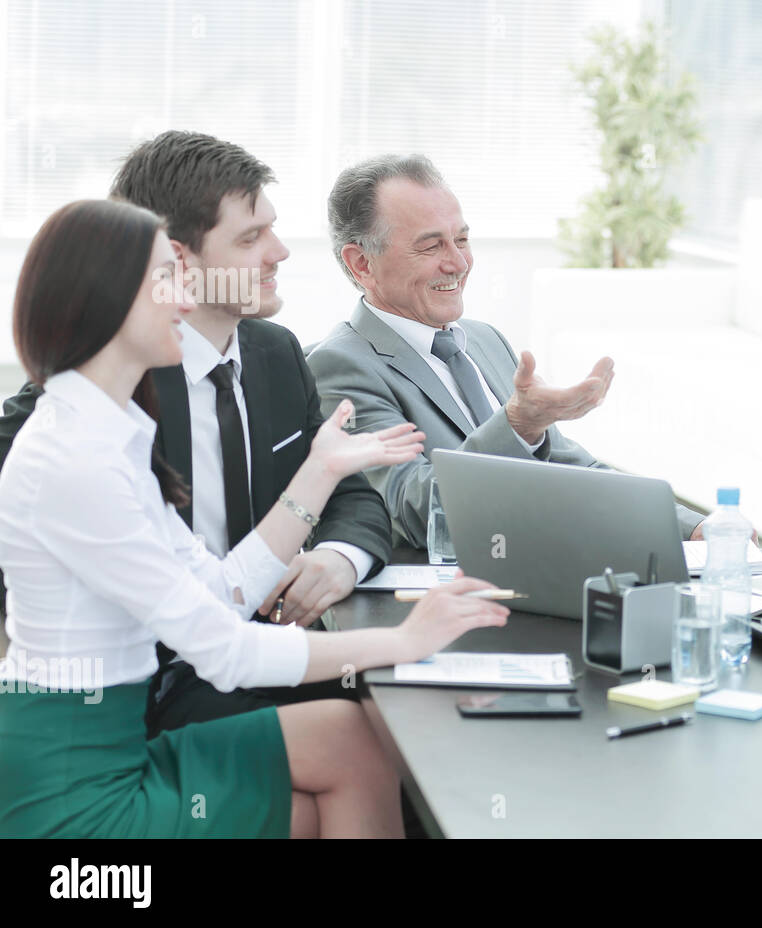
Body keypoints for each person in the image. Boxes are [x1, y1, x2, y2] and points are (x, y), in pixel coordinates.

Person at [0, 198, 509, 837]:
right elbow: (223, 650)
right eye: (167, 279)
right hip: (73, 790)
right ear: (106, 300)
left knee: (352, 738)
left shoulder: (112, 430)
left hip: (113, 745)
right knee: (321, 800)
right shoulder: (75, 460)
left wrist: (320, 469)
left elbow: (219, 592)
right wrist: (406, 642)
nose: (186, 299)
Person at [0, 131, 392, 737]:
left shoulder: (275, 353)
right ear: (175, 259)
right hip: (163, 681)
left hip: (270, 639)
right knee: (358, 736)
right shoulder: (104, 386)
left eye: (273, 229)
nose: (280, 252)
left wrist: (340, 559)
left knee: (407, 709)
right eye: (251, 237)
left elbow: (353, 495)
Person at [307, 154, 705, 548]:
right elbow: (416, 511)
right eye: (431, 247)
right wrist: (518, 426)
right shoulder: (340, 367)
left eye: (462, 239)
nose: (459, 263)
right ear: (362, 264)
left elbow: (570, 468)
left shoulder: (484, 340)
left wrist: (691, 527)